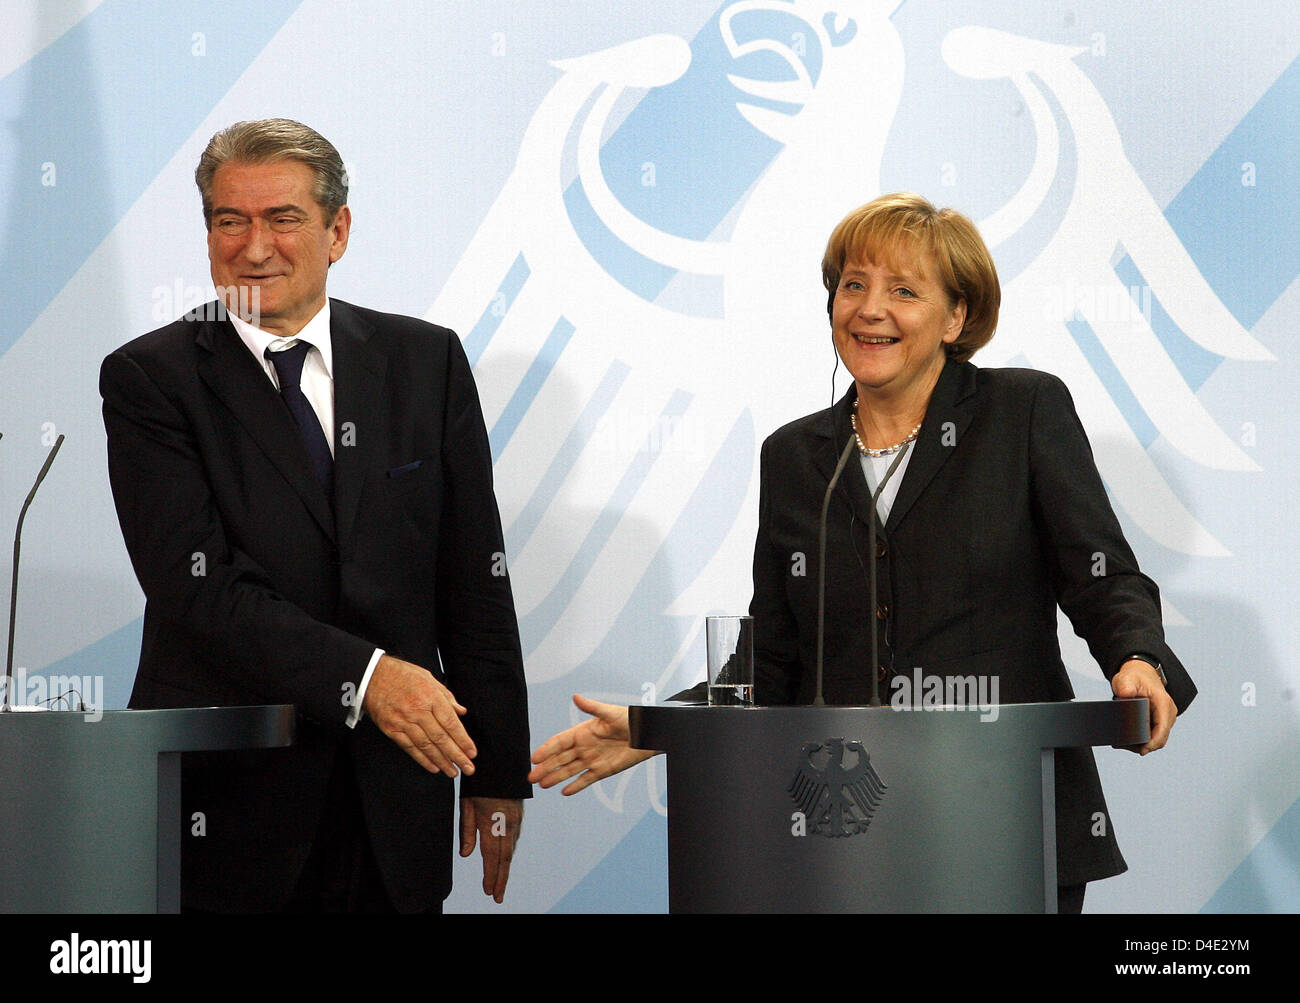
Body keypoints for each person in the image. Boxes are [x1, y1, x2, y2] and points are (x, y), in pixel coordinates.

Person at [530, 192, 1195, 911]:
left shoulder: (1022, 412)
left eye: (903, 290)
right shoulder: (793, 456)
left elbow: (1102, 574)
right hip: (845, 841)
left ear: (957, 317)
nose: (869, 309)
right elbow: (775, 658)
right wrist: (663, 726)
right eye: (853, 285)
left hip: (1002, 816)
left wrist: (1139, 659)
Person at [101, 119, 531, 913]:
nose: (253, 245)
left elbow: (474, 578)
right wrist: (367, 678)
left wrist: (498, 767)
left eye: (282, 218)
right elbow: (199, 590)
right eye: (230, 220)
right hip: (228, 807)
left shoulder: (425, 362)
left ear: (337, 232)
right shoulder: (150, 379)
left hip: (393, 801)